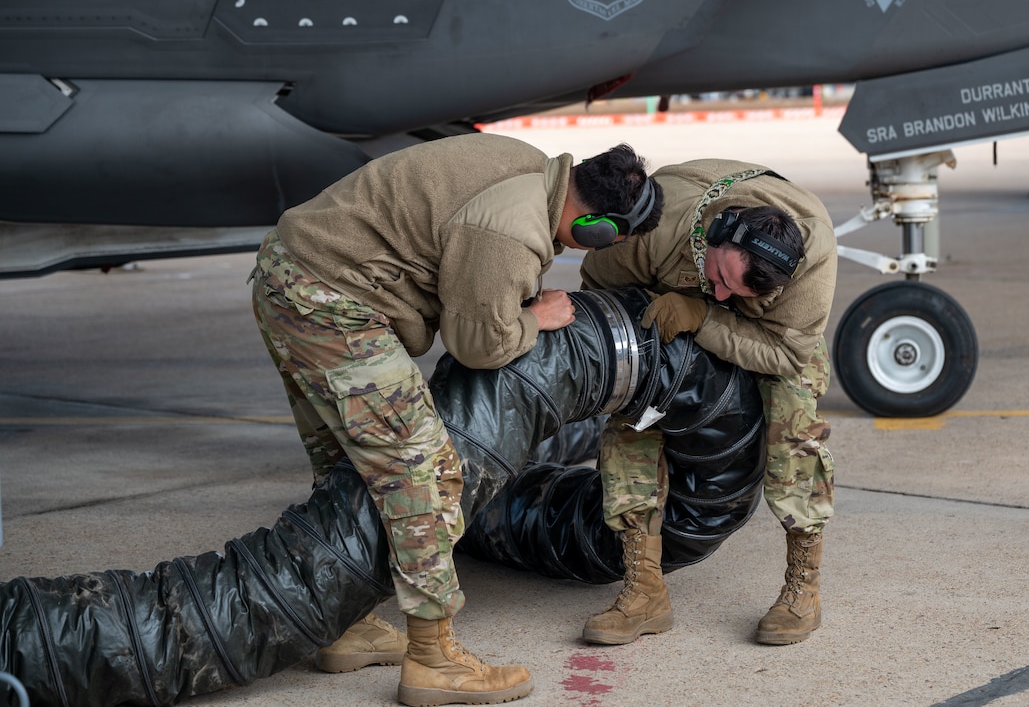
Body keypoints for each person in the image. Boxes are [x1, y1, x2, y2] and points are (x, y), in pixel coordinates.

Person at [249, 133, 662, 706]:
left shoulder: (530, 170)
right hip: (333, 302)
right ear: (597, 228)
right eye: (613, 240)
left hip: (291, 275)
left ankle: (341, 621)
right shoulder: (512, 230)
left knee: (346, 461)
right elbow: (477, 346)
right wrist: (537, 319)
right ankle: (433, 658)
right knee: (425, 470)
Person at [577, 159, 837, 647]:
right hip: (666, 300)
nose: (721, 292)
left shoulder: (814, 252)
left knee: (795, 423)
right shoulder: (653, 231)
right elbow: (598, 295)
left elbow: (788, 353)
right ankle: (644, 591)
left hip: (769, 334)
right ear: (716, 234)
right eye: (718, 276)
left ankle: (803, 590)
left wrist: (706, 315)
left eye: (734, 290)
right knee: (632, 420)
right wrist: (644, 348)